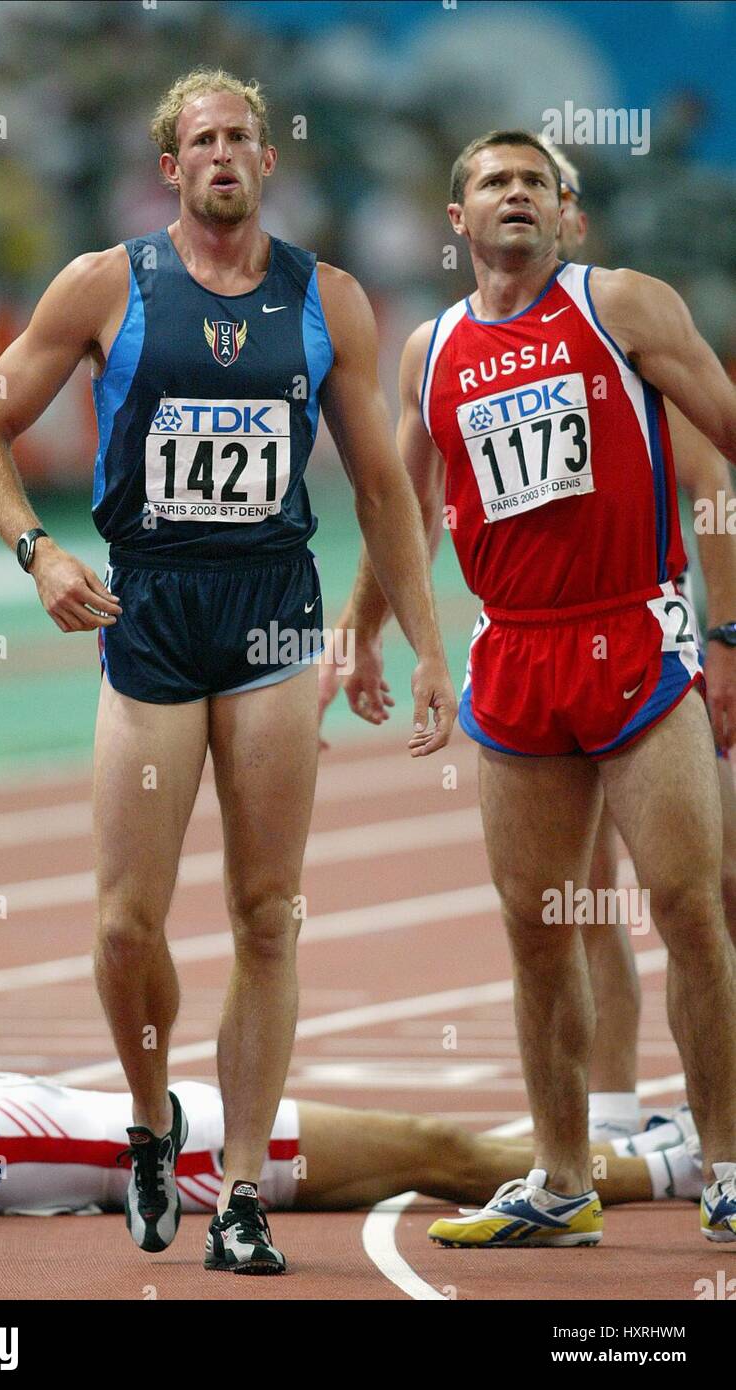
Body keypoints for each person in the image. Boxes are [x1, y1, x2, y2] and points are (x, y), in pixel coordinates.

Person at [0, 69, 455, 1275]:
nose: (224, 153)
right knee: (128, 920)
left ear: (266, 161)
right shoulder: (102, 284)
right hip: (151, 608)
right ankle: (147, 1116)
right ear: (169, 168)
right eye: (201, 140)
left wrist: (424, 642)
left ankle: (239, 1189)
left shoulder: (325, 300)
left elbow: (384, 491)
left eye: (241, 136)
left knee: (265, 913)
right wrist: (37, 552)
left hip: (273, 616)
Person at [319, 129, 736, 1247]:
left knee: (687, 909)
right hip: (516, 652)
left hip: (636, 642)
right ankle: (560, 1182)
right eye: (491, 183)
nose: (513, 195)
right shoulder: (432, 349)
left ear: (568, 217)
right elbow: (400, 514)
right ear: (454, 221)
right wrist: (363, 636)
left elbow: (723, 444)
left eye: (534, 184)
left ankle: (729, 1165)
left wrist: (730, 629)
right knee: (537, 927)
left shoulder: (624, 307)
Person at [0, 997, 702, 1243]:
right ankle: (673, 1172)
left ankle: (632, 1152)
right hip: (189, 1159)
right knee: (436, 1152)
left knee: (439, 1146)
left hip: (174, 1128)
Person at [543, 141, 736, 1145]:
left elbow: (716, 491)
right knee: (578, 894)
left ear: (576, 224)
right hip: (552, 657)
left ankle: (723, 1132)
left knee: (703, 892)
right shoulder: (487, 352)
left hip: (665, 647)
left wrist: (726, 635)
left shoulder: (633, 330)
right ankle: (613, 1115)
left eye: (554, 200)